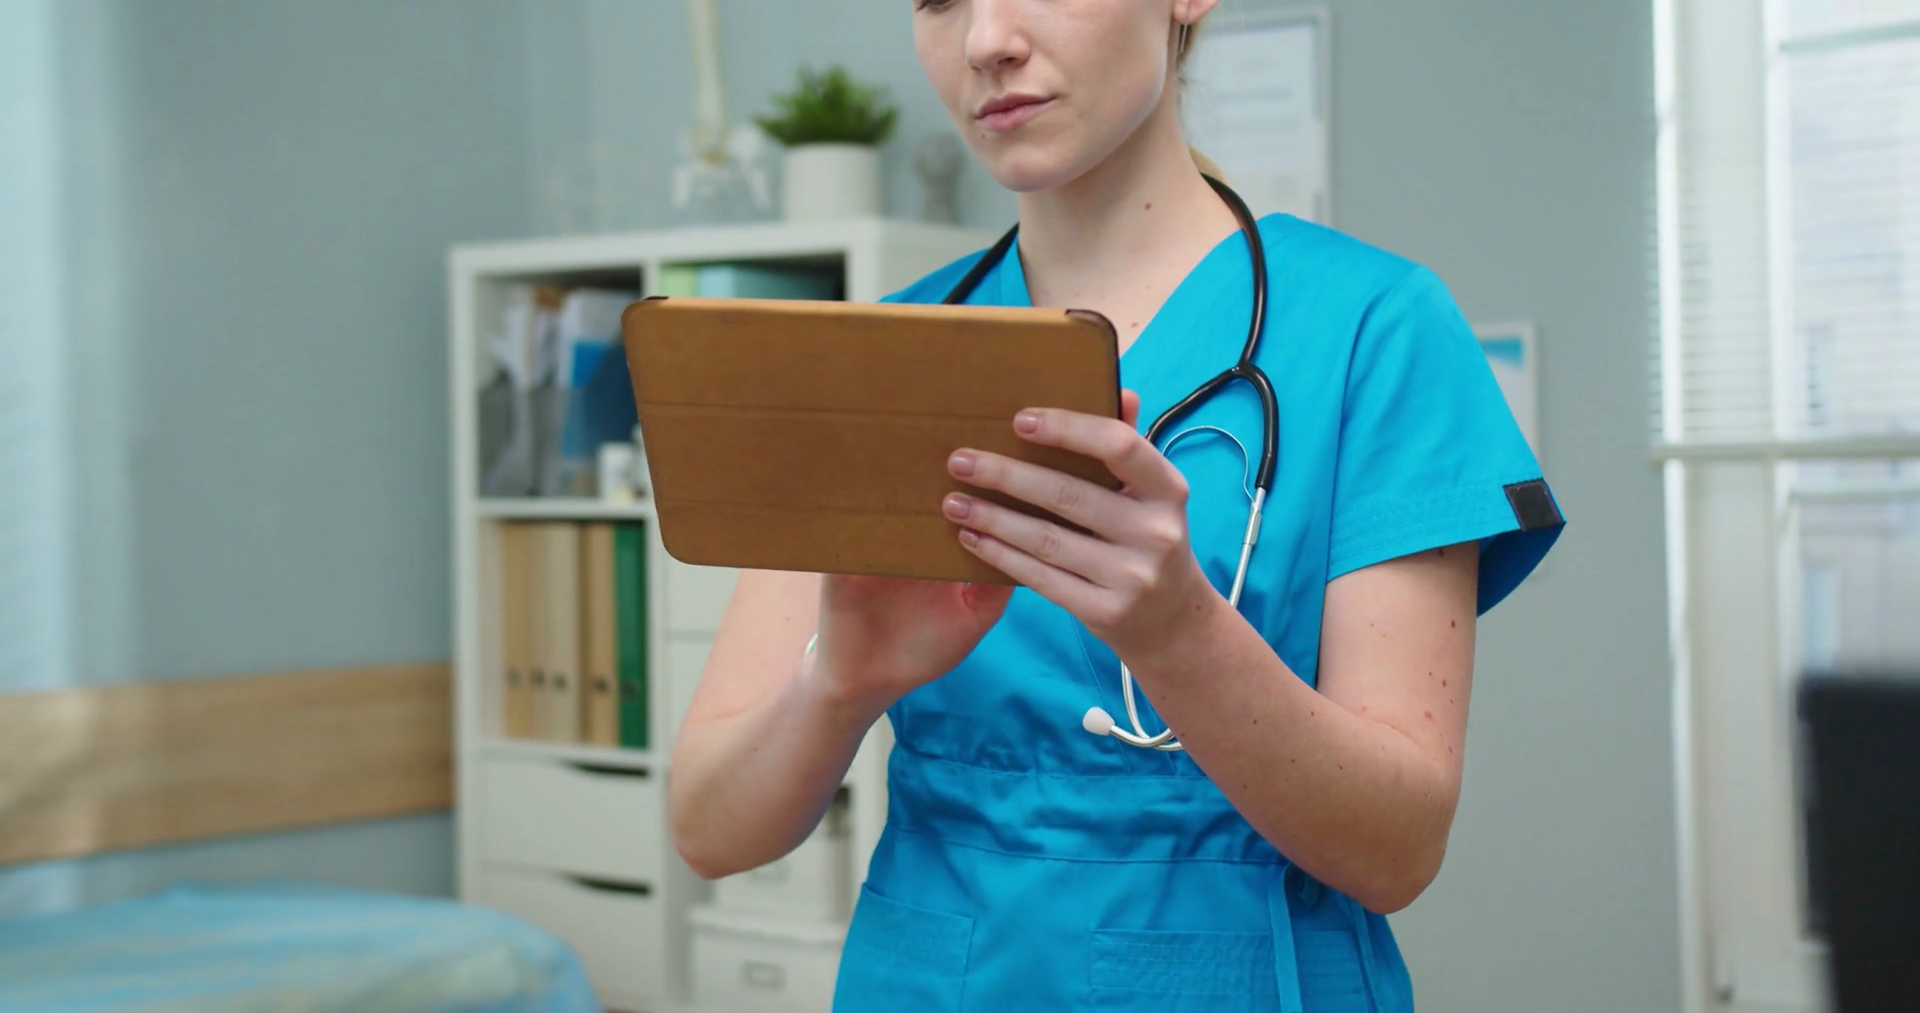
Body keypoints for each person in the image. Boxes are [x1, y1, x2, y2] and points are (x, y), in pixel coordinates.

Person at [668, 1, 1564, 1009]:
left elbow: (1399, 850)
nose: (984, 41)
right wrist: (837, 681)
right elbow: (709, 826)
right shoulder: (878, 360)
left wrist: (1177, 632)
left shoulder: (1375, 330)